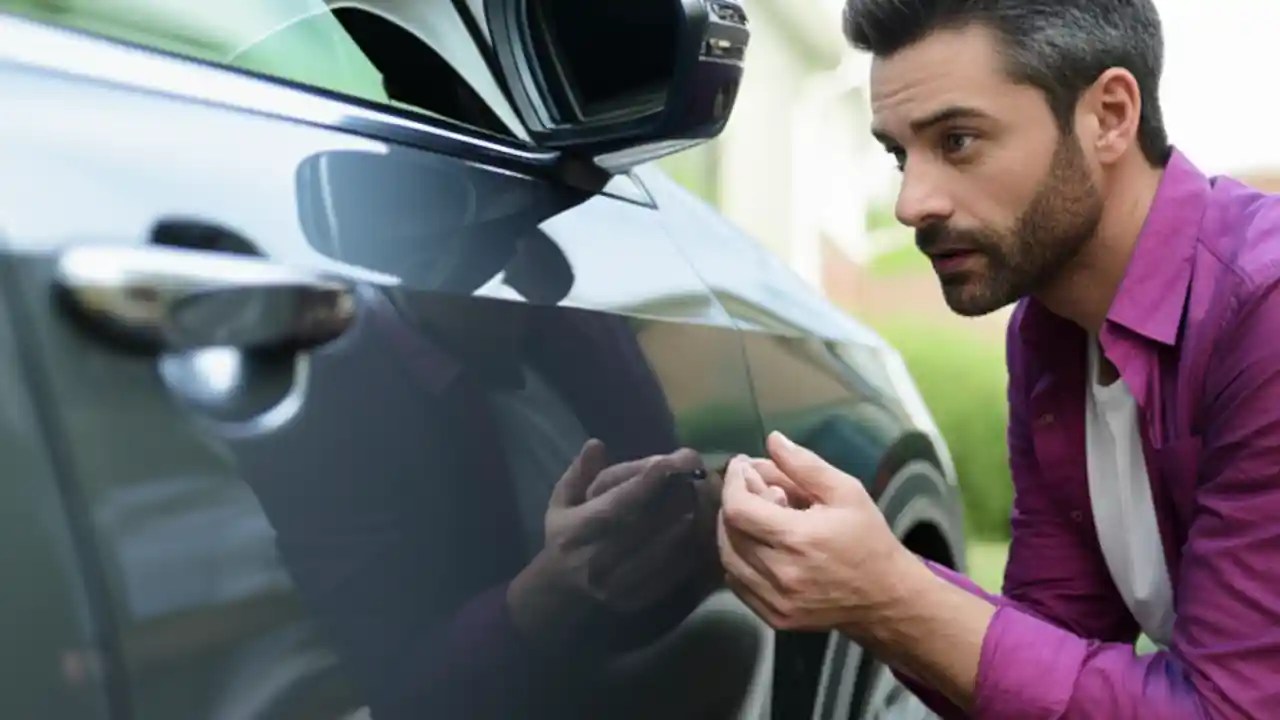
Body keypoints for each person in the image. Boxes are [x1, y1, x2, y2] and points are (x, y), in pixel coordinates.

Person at [717, 1, 1280, 717]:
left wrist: (890, 594)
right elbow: (1048, 645)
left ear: (1108, 115)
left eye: (957, 141)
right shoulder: (1049, 336)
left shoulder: (1263, 309)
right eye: (898, 154)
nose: (910, 202)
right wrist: (856, 574)